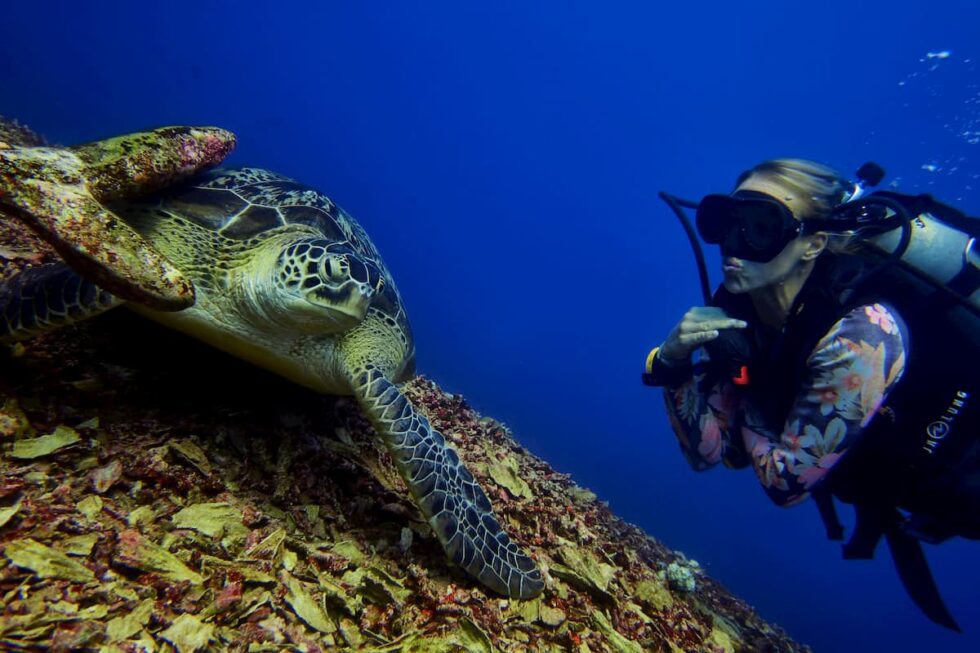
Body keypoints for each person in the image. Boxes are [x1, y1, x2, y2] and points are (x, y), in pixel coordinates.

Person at [645, 158, 979, 631]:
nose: (733, 247)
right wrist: (671, 364)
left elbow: (785, 484)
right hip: (897, 478)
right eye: (725, 223)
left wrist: (750, 400)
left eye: (762, 228)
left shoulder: (862, 334)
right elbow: (707, 454)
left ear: (813, 243)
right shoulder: (738, 308)